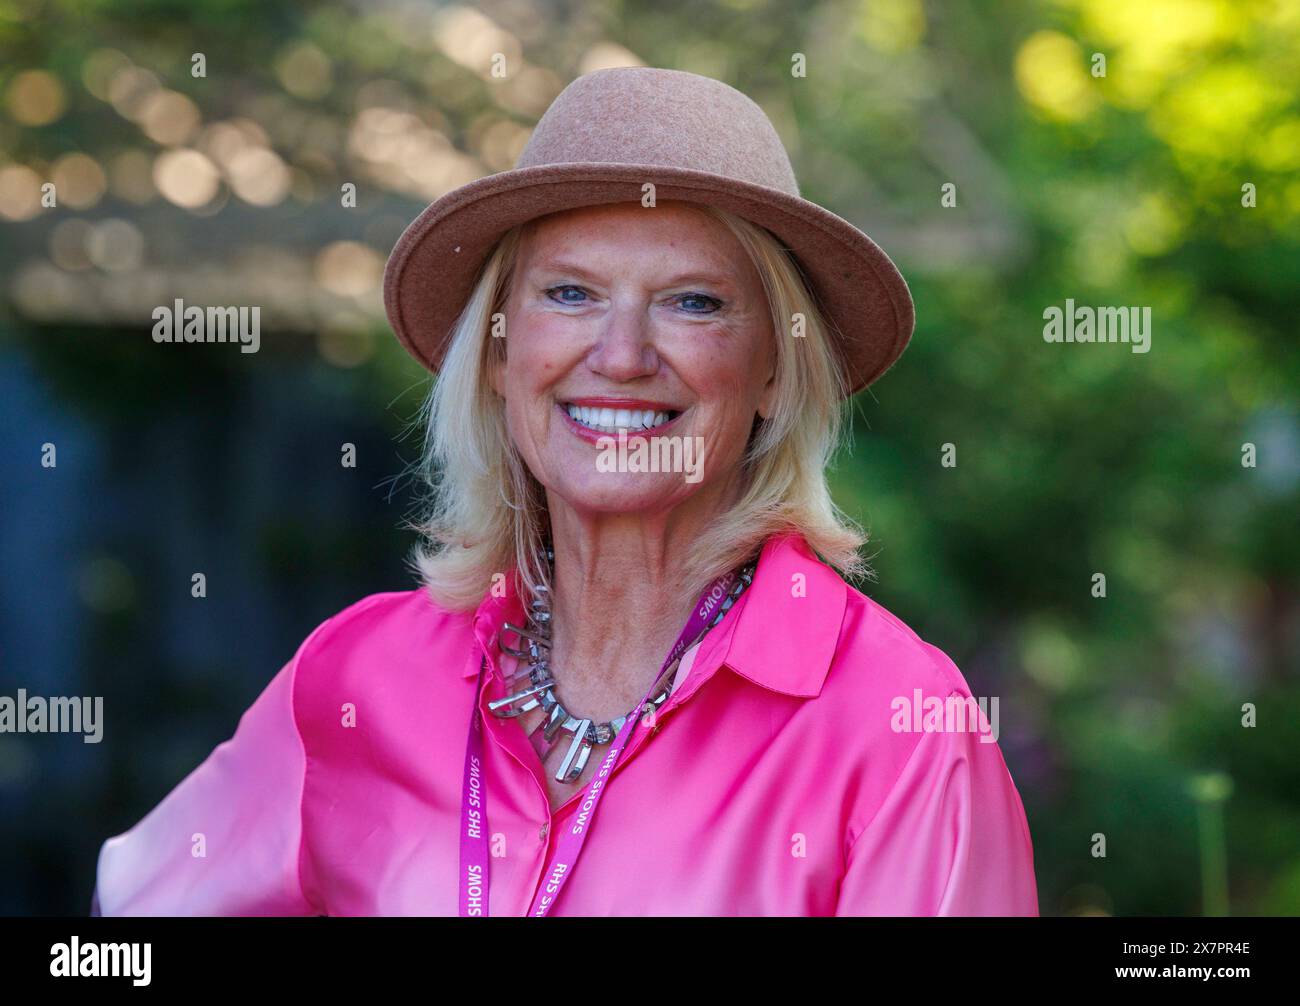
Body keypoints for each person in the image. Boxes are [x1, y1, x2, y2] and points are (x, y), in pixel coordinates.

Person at [92, 66, 1037, 916]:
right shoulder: (355, 679)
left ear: (777, 377)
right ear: (501, 354)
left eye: (693, 302)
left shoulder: (897, 723)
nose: (621, 356)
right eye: (570, 294)